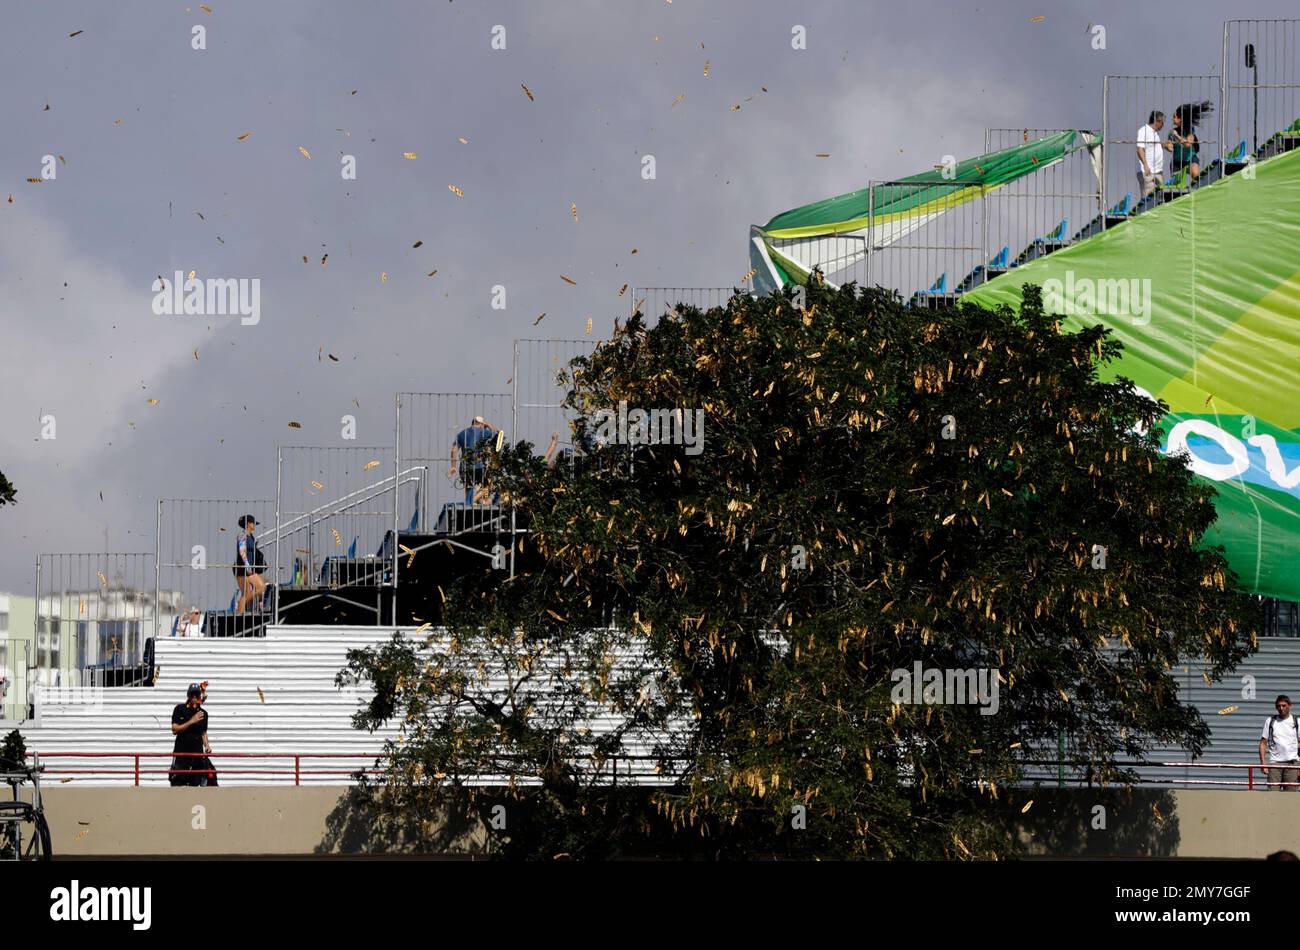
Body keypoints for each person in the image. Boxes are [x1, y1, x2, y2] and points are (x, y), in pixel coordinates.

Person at [169, 682, 217, 787]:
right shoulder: (180, 709)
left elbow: (203, 732)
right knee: (178, 782)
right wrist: (191, 721)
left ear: (200, 696)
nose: (194, 697)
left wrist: (207, 746)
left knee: (195, 783)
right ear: (188, 695)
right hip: (181, 754)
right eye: (192, 695)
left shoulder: (203, 713)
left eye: (197, 695)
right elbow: (174, 729)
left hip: (197, 755)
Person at [448, 416, 500, 505]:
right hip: (478, 466)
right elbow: (499, 434)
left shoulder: (461, 434)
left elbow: (454, 450)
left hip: (464, 467)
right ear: (481, 424)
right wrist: (487, 425)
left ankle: (469, 504)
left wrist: (453, 466)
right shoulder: (483, 432)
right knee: (487, 485)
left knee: (468, 488)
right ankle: (474, 500)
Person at [1259, 694, 1300, 790]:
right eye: (1278, 706)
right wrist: (1263, 763)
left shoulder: (1297, 721)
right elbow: (1263, 743)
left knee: (1291, 797)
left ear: (1290, 706)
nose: (1281, 708)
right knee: (1272, 796)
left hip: (1292, 765)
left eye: (1284, 705)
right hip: (1275, 764)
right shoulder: (1270, 721)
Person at [1169, 100, 1213, 182]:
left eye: (1174, 116)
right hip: (1177, 161)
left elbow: (1188, 144)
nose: (1173, 118)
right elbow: (1169, 146)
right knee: (1177, 184)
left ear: (1180, 119)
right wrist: (1167, 146)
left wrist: (1177, 136)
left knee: (1195, 174)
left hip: (1190, 158)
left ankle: (1197, 189)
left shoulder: (1190, 130)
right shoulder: (1171, 132)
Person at [232, 514, 266, 614]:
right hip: (243, 568)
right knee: (245, 593)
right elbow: (242, 551)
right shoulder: (242, 535)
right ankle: (239, 612)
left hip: (250, 569)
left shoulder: (251, 536)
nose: (254, 525)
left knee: (261, 587)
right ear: (248, 524)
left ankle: (241, 604)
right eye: (253, 523)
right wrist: (247, 566)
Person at [1136, 110, 1170, 199]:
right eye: (1162, 123)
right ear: (1157, 121)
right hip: (1147, 171)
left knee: (1160, 197)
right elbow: (1140, 149)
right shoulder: (1144, 131)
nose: (1163, 125)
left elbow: (1153, 146)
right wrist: (1145, 165)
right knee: (1149, 198)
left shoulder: (1155, 133)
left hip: (1157, 171)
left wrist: (1164, 145)